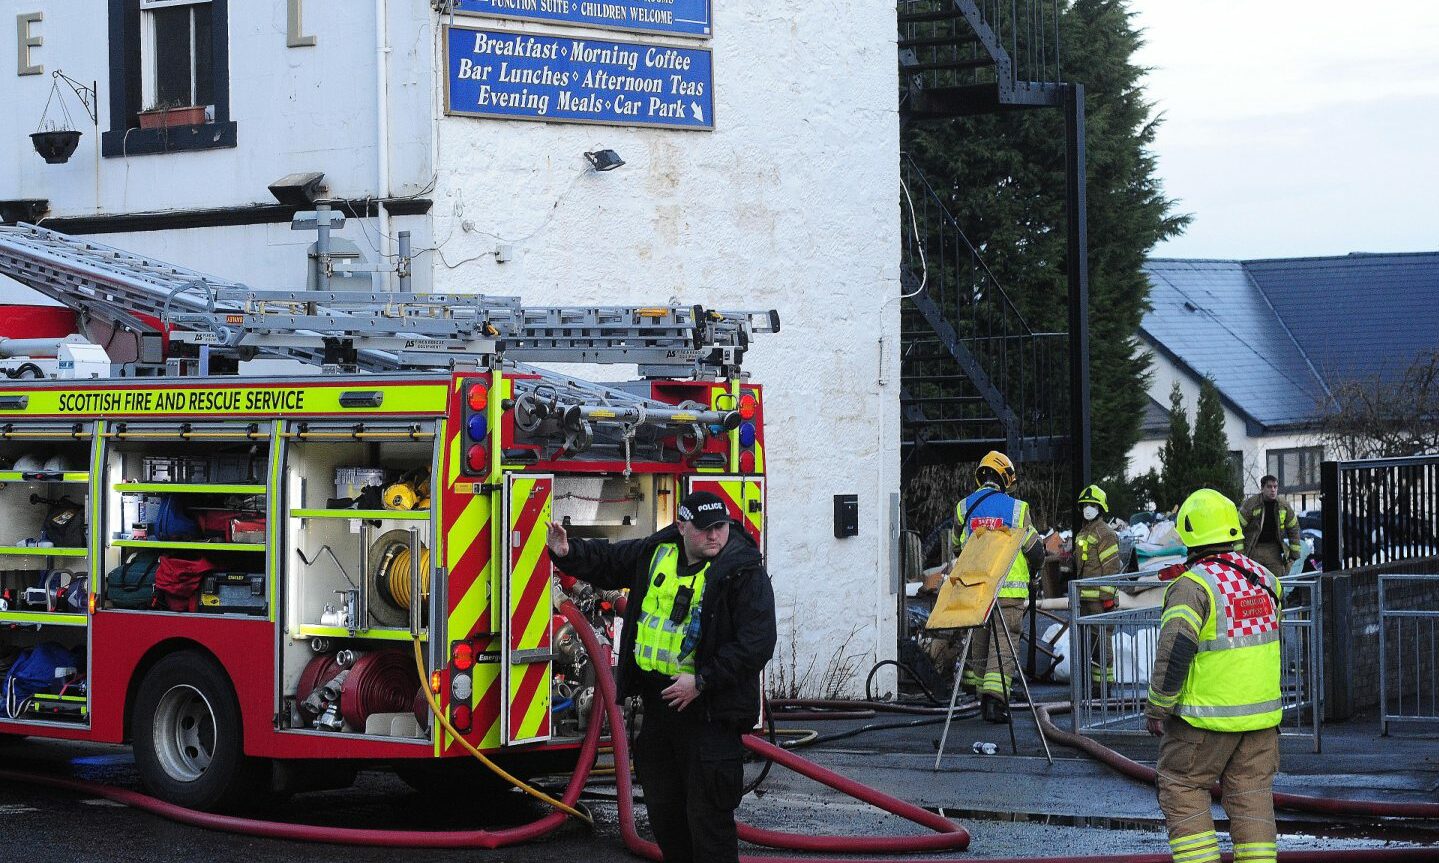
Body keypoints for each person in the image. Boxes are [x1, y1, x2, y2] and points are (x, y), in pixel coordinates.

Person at [546, 491, 776, 863]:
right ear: (682, 526)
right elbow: (609, 561)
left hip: (709, 717)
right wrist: (567, 552)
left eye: (721, 527)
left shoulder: (741, 570)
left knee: (709, 825)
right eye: (706, 530)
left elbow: (757, 643)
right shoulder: (658, 552)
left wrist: (702, 682)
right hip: (660, 709)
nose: (716, 536)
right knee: (665, 814)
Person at [1146, 488, 1283, 863]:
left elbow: (1175, 651)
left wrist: (1158, 708)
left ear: (1190, 536)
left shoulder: (1193, 586)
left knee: (1181, 786)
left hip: (1204, 720)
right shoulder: (1266, 580)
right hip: (1260, 720)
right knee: (1251, 796)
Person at [951, 450, 1044, 723]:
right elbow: (1034, 549)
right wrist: (1035, 573)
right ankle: (995, 702)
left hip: (977, 589)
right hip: (1008, 589)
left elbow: (958, 546)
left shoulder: (963, 507)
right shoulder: (1017, 509)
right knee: (1004, 641)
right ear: (1005, 478)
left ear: (981, 475)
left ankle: (981, 696)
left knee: (980, 639)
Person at [1073, 484, 1122, 695]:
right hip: (1085, 598)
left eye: (1092, 505)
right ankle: (1093, 685)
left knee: (1101, 643)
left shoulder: (1106, 533)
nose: (1088, 509)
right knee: (1090, 644)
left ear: (1100, 508)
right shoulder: (1085, 531)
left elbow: (1111, 568)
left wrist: (1108, 598)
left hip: (1100, 601)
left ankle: (1103, 687)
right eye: (1085, 505)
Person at [1238, 475, 1301, 577]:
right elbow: (1238, 528)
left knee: (1278, 581)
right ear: (1262, 488)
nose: (1273, 490)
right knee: (1254, 582)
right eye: (1269, 487)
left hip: (1274, 549)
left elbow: (1293, 528)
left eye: (1275, 487)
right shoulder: (1251, 504)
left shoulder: (1283, 505)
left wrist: (1294, 555)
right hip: (1254, 548)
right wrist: (1240, 554)